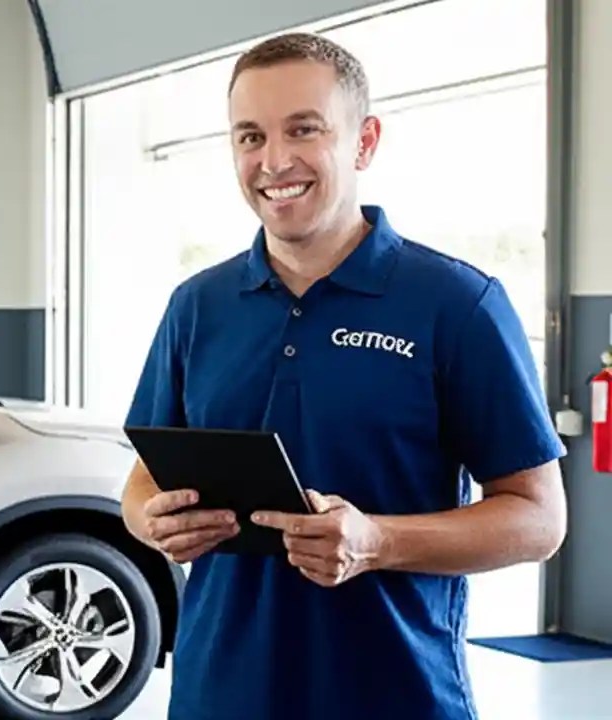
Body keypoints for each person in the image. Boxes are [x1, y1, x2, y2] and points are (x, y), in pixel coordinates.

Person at [120, 31, 568, 720]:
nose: (273, 162)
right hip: (219, 693)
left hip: (399, 693)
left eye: (304, 130)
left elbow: (539, 519)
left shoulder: (456, 304)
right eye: (249, 137)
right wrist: (156, 526)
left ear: (364, 142)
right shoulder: (197, 307)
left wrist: (377, 542)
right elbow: (141, 486)